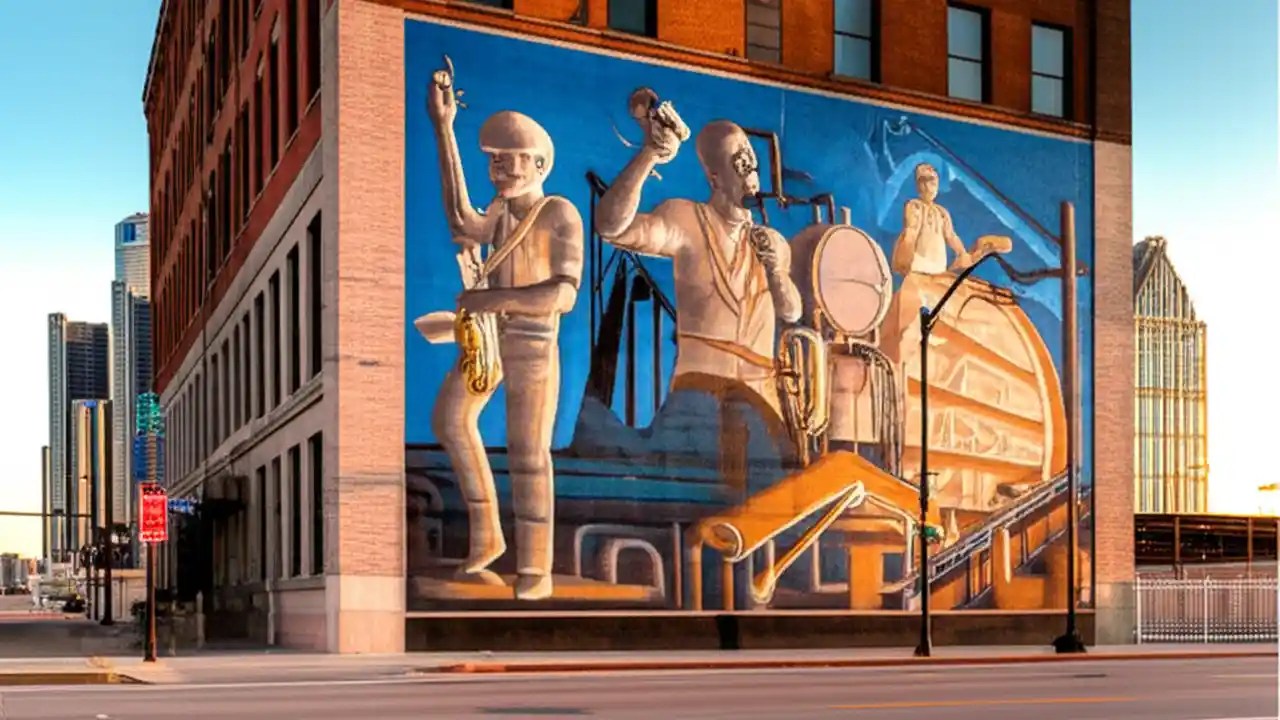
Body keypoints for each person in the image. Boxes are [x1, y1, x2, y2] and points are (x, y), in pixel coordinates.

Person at [423, 60, 584, 601]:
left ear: (540, 162)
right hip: (489, 338)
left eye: (513, 160)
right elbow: (460, 224)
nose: (503, 169)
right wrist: (444, 128)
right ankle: (488, 534)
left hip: (534, 344)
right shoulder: (499, 211)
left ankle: (535, 568)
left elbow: (563, 294)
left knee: (528, 451)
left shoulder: (560, 214)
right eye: (495, 161)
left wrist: (490, 298)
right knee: (450, 418)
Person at [594, 89, 802, 419]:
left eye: (753, 164)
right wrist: (650, 154)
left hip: (761, 403)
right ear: (715, 176)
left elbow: (791, 312)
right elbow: (612, 227)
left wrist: (776, 271)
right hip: (699, 397)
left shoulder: (773, 242)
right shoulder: (687, 220)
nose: (750, 174)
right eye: (740, 163)